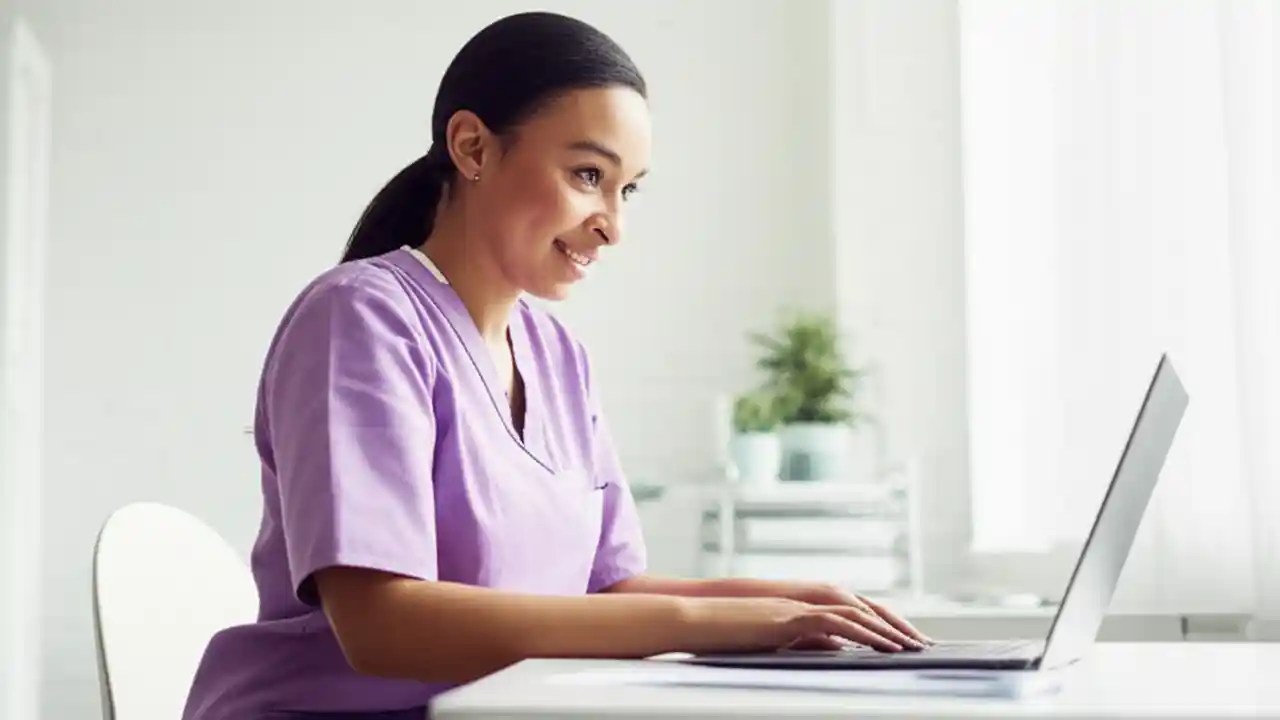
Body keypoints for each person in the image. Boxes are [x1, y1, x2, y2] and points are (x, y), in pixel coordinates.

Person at [181, 11, 932, 720]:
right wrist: (712, 620)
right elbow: (382, 624)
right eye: (587, 176)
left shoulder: (558, 356)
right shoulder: (360, 318)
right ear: (473, 148)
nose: (613, 224)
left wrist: (792, 603)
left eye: (628, 188)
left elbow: (608, 588)